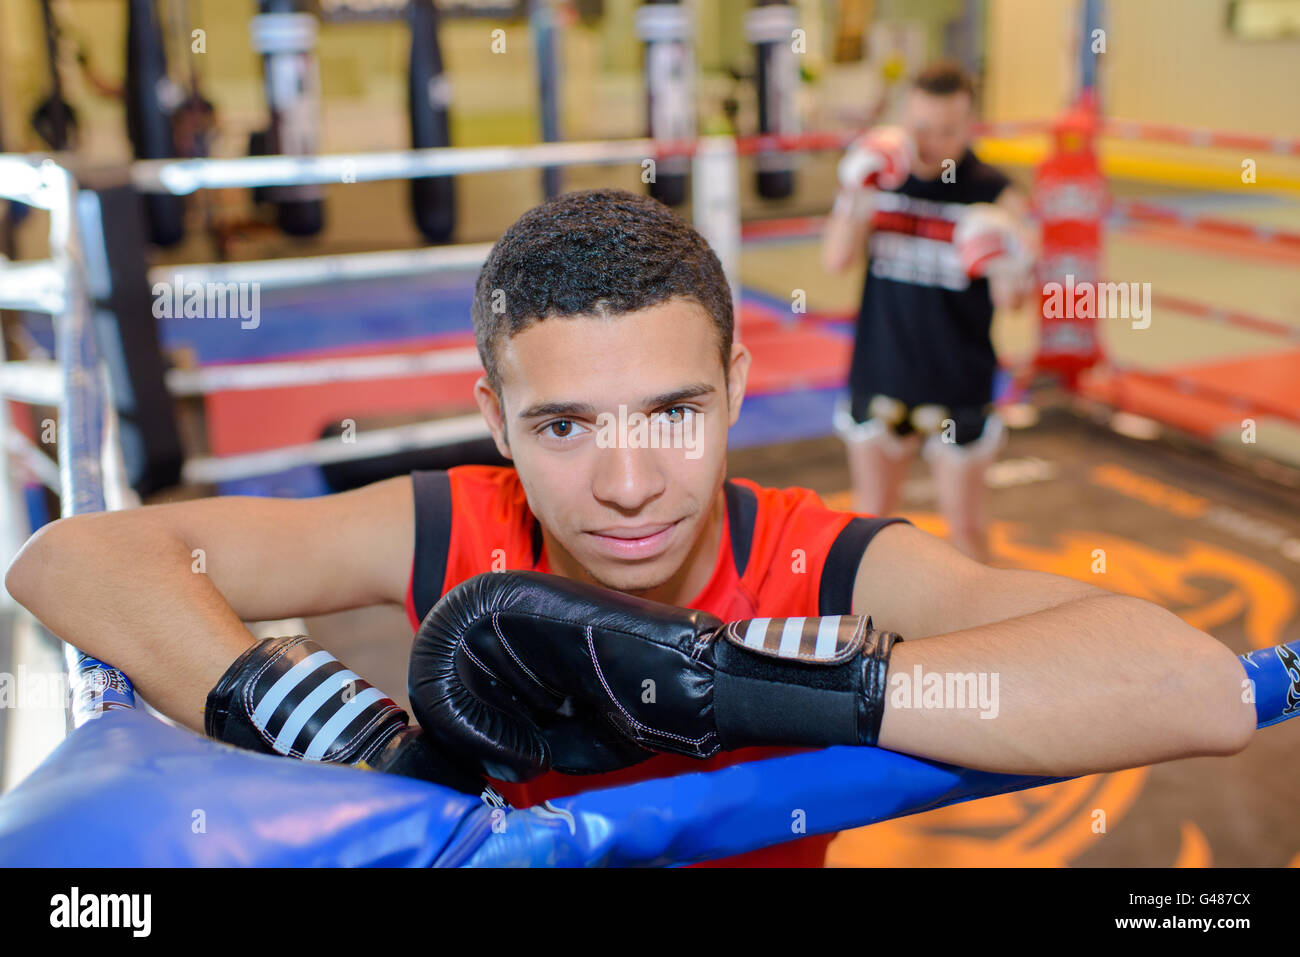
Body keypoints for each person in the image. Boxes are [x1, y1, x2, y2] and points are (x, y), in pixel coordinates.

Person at [7, 189, 1251, 869]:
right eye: (563, 427)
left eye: (672, 411)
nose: (626, 481)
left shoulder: (828, 561)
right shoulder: (447, 525)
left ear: (740, 386)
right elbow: (73, 555)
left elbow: (1192, 689)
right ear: (493, 420)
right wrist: (359, 743)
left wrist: (747, 685)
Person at [823, 60, 1034, 563]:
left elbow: (1014, 302)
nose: (933, 143)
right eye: (922, 128)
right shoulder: (880, 174)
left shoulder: (995, 193)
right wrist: (856, 195)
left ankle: (984, 640)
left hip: (958, 377)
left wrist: (1009, 257)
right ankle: (861, 636)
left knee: (966, 530)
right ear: (903, 119)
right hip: (882, 369)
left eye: (948, 131)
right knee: (870, 523)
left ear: (969, 126)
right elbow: (835, 261)